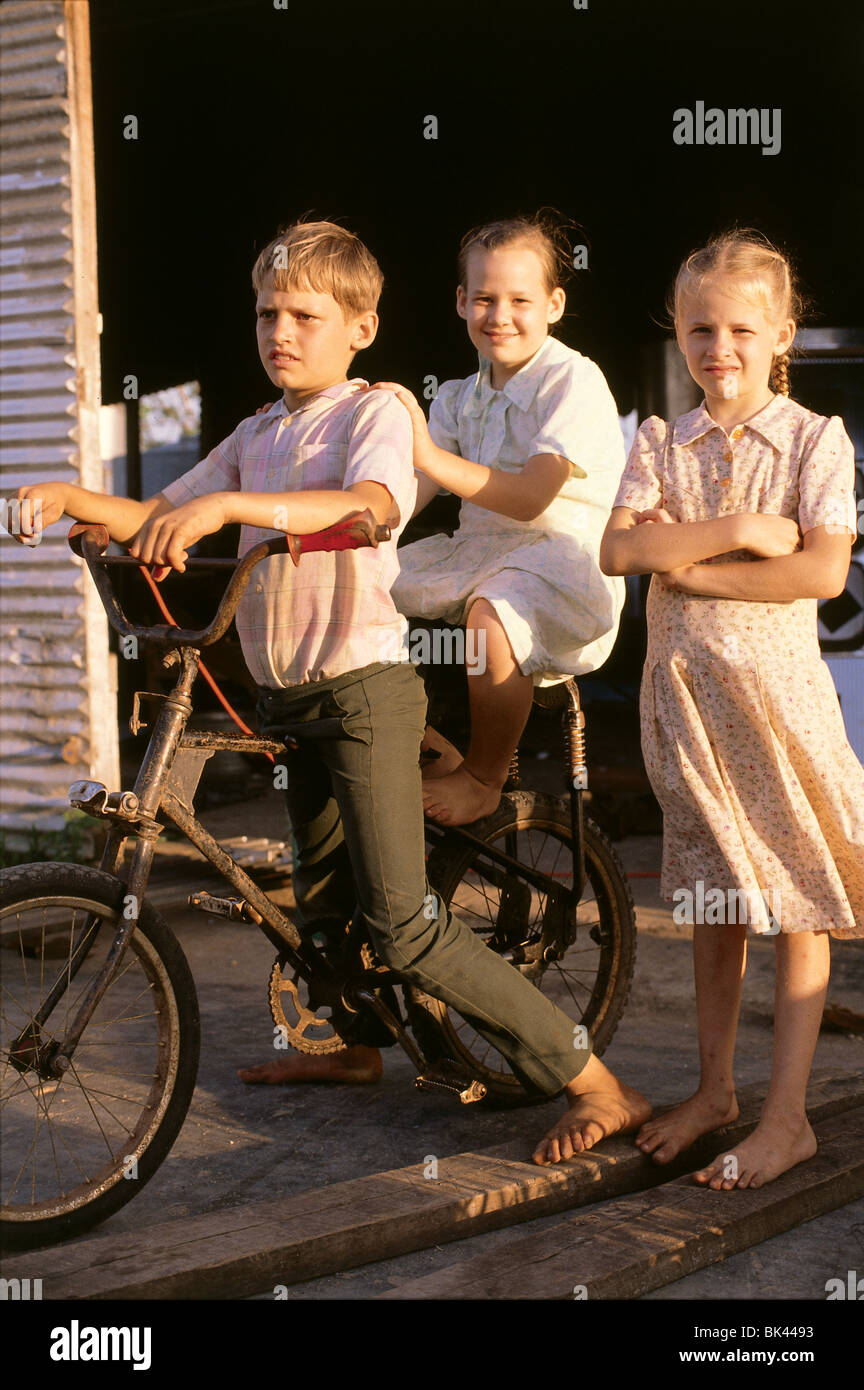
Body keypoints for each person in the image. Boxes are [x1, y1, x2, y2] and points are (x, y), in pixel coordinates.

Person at [10, 219, 650, 1165]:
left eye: (306, 315)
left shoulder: (373, 417)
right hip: (287, 697)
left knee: (402, 925)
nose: (282, 331)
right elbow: (158, 511)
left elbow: (372, 508)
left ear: (361, 327)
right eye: (269, 313)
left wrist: (230, 509)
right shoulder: (258, 430)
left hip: (361, 694)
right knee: (319, 911)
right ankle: (355, 1048)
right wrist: (72, 494)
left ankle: (595, 1081)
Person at [600, 228, 864, 1189]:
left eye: (743, 329)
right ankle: (716, 1091)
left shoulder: (813, 441)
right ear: (676, 332)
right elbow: (619, 556)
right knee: (714, 902)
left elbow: (823, 570)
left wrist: (689, 567)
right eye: (700, 329)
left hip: (776, 709)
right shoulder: (661, 441)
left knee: (798, 903)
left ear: (783, 333)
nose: (721, 348)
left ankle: (787, 1116)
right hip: (690, 713)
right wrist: (748, 532)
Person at [372, 216, 626, 826]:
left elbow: (534, 497)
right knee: (359, 590)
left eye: (520, 300)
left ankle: (485, 775)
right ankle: (428, 748)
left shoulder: (573, 380)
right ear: (461, 301)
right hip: (477, 551)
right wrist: (348, 521)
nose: (499, 315)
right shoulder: (459, 396)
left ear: (555, 304)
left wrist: (431, 455)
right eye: (484, 298)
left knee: (492, 612)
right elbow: (410, 491)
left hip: (561, 561)